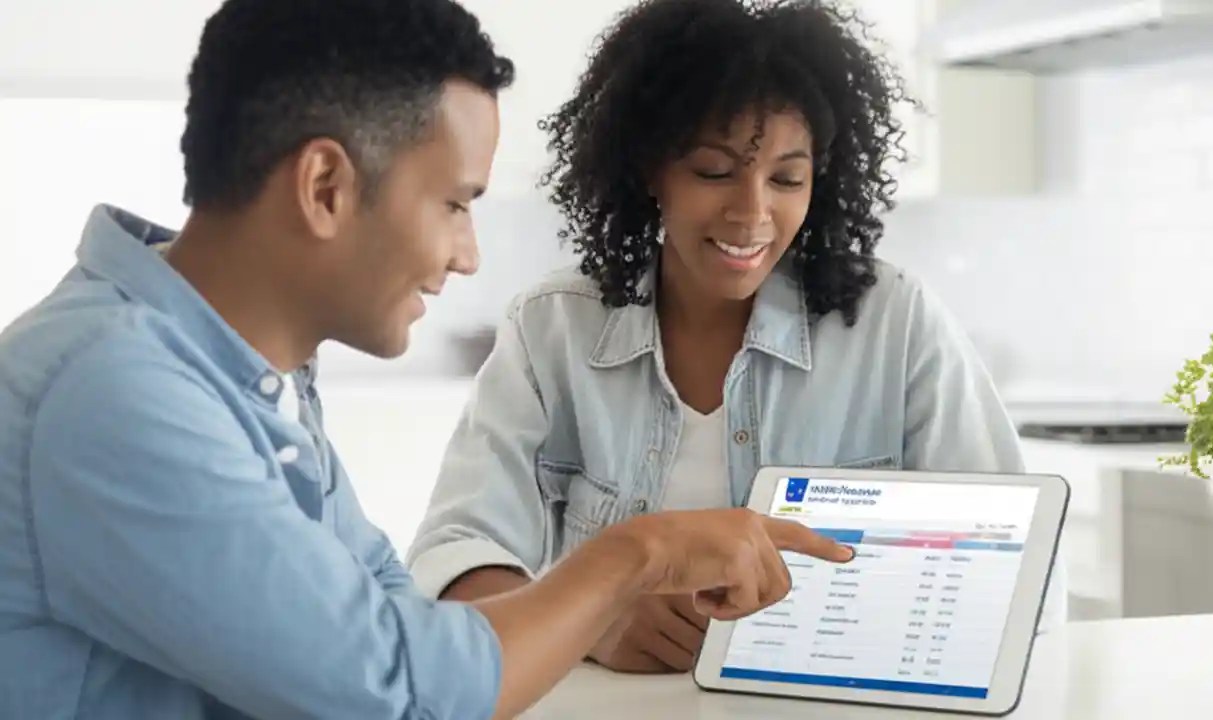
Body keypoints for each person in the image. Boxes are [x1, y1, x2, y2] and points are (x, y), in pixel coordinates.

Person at [0, 1, 857, 718]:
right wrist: (639, 556)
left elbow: (398, 620)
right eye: (454, 203)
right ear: (326, 188)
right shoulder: (116, 394)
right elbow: (395, 692)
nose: (468, 254)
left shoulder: (242, 378)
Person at [408, 0, 1065, 675]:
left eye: (786, 178)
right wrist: (590, 619)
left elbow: (1020, 576)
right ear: (650, 169)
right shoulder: (554, 327)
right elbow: (455, 554)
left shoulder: (895, 324)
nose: (752, 213)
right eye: (714, 172)